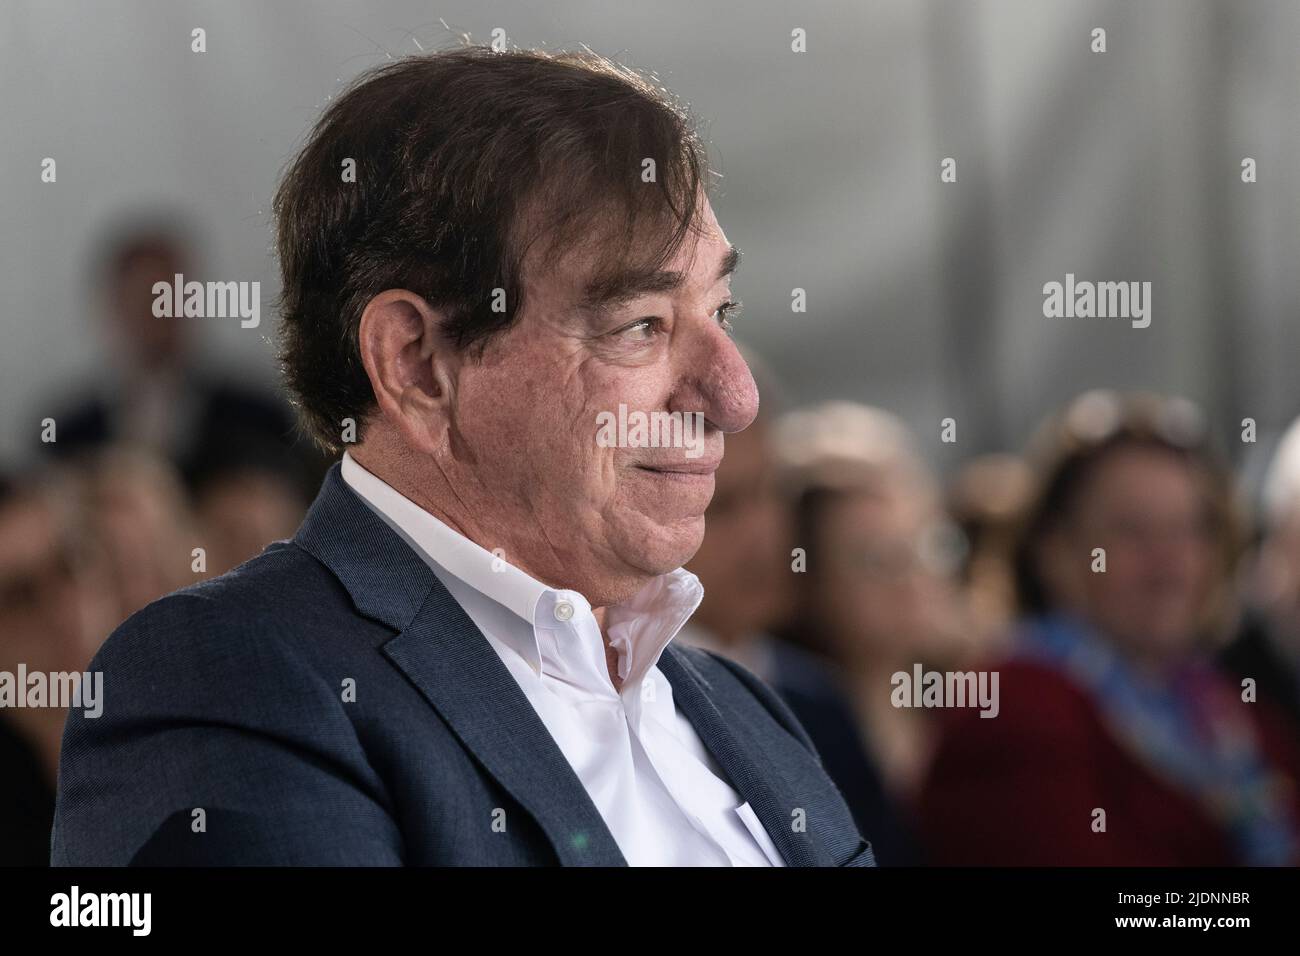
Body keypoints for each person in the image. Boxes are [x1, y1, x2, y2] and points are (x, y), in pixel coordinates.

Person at [52, 46, 872, 867]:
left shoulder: (749, 713)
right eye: (640, 325)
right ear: (416, 365)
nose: (735, 397)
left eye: (720, 312)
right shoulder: (223, 685)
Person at [919, 391, 1300, 866]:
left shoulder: (1225, 711)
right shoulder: (1013, 710)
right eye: (1131, 530)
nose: (1171, 562)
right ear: (1055, 552)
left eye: (1191, 529)